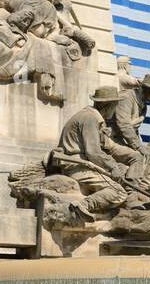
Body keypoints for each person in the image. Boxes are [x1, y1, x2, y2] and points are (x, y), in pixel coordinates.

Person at [48, 86, 129, 216]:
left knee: (123, 171)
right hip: (78, 166)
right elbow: (94, 153)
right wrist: (112, 167)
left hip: (80, 164)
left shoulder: (87, 115)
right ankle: (83, 205)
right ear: (108, 106)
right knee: (118, 192)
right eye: (115, 106)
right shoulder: (90, 118)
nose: (115, 111)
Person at [111, 72, 150, 153]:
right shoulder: (126, 97)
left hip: (128, 141)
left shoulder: (143, 105)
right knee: (139, 157)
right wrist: (139, 147)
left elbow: (134, 129)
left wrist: (139, 144)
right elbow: (124, 125)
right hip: (113, 139)